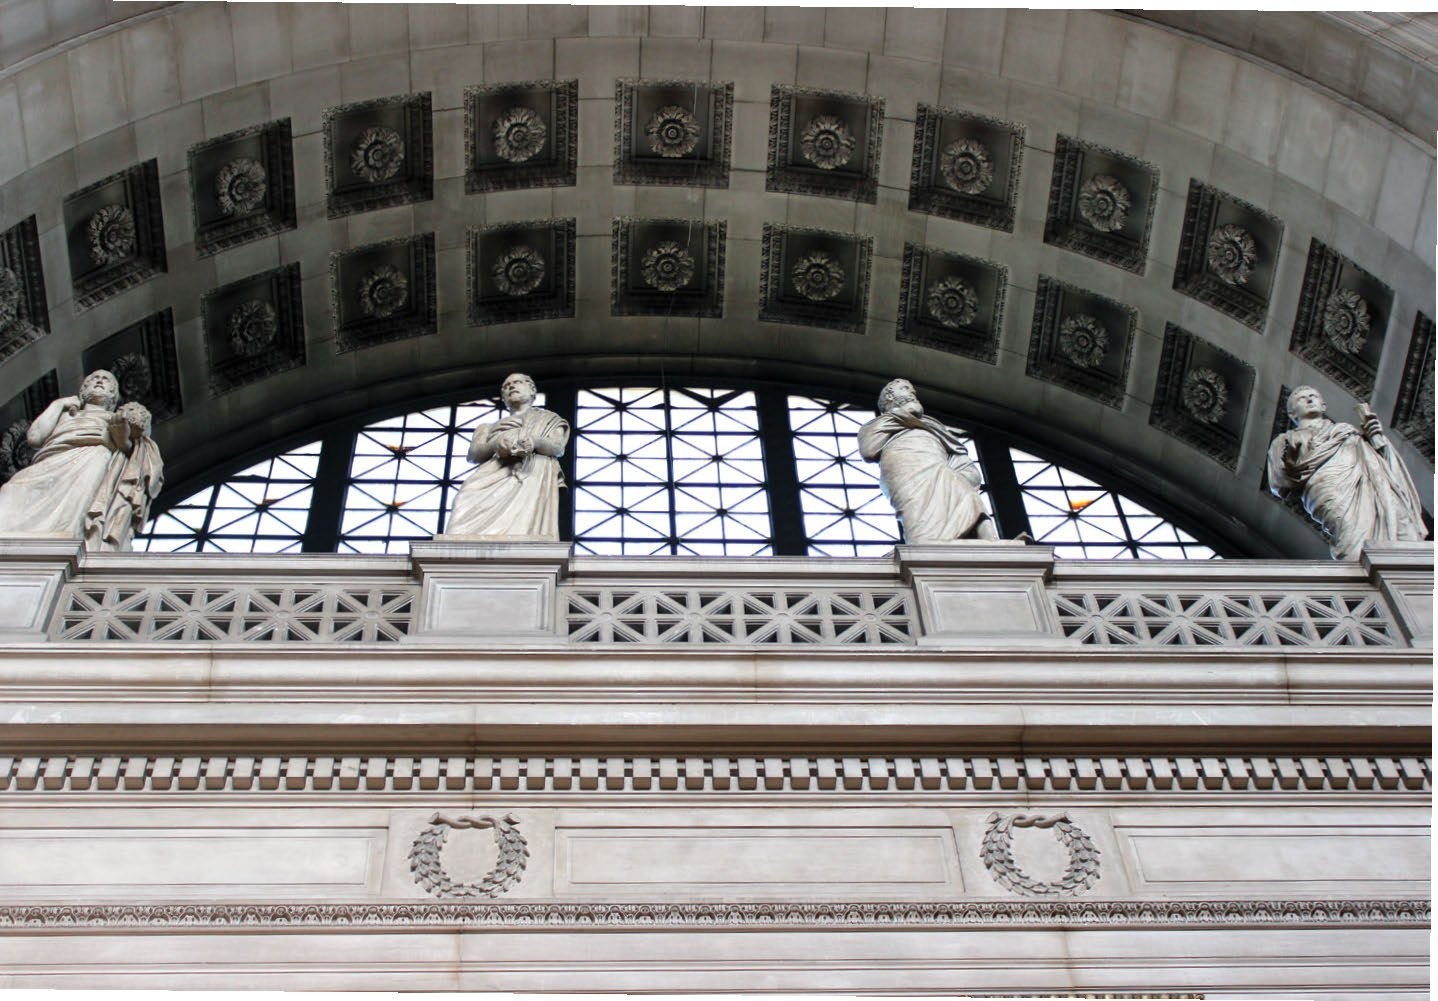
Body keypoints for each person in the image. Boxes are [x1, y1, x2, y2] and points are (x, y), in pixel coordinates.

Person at [0, 370, 163, 551]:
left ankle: (66, 538)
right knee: (11, 491)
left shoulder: (117, 420)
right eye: (94, 379)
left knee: (77, 502)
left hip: (91, 460)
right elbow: (35, 438)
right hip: (50, 461)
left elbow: (138, 458)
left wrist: (122, 439)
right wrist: (58, 404)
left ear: (113, 395)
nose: (99, 381)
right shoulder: (66, 414)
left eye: (106, 380)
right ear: (83, 390)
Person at [1267, 385, 1427, 560]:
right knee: (1352, 541)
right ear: (1292, 413)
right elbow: (1279, 484)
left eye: (1314, 396)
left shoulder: (1346, 431)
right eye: (1301, 399)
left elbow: (1379, 461)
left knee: (1399, 525)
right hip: (1331, 492)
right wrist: (1289, 463)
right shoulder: (1285, 440)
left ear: (1323, 406)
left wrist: (1376, 437)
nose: (1310, 400)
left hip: (1372, 485)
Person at [857, 378, 998, 544]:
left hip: (941, 469)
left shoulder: (932, 425)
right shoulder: (876, 426)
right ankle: (923, 547)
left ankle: (992, 542)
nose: (911, 393)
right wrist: (900, 417)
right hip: (905, 472)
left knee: (969, 497)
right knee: (917, 517)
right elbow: (868, 450)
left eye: (912, 390)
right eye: (904, 388)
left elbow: (956, 452)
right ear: (889, 397)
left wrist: (964, 469)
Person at [445, 373, 569, 540]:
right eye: (506, 386)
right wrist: (496, 443)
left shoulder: (548, 420)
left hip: (530, 473)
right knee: (465, 497)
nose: (511, 386)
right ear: (503, 397)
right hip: (494, 471)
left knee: (523, 519)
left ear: (532, 390)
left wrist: (533, 442)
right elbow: (474, 454)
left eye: (517, 382)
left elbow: (557, 447)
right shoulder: (486, 428)